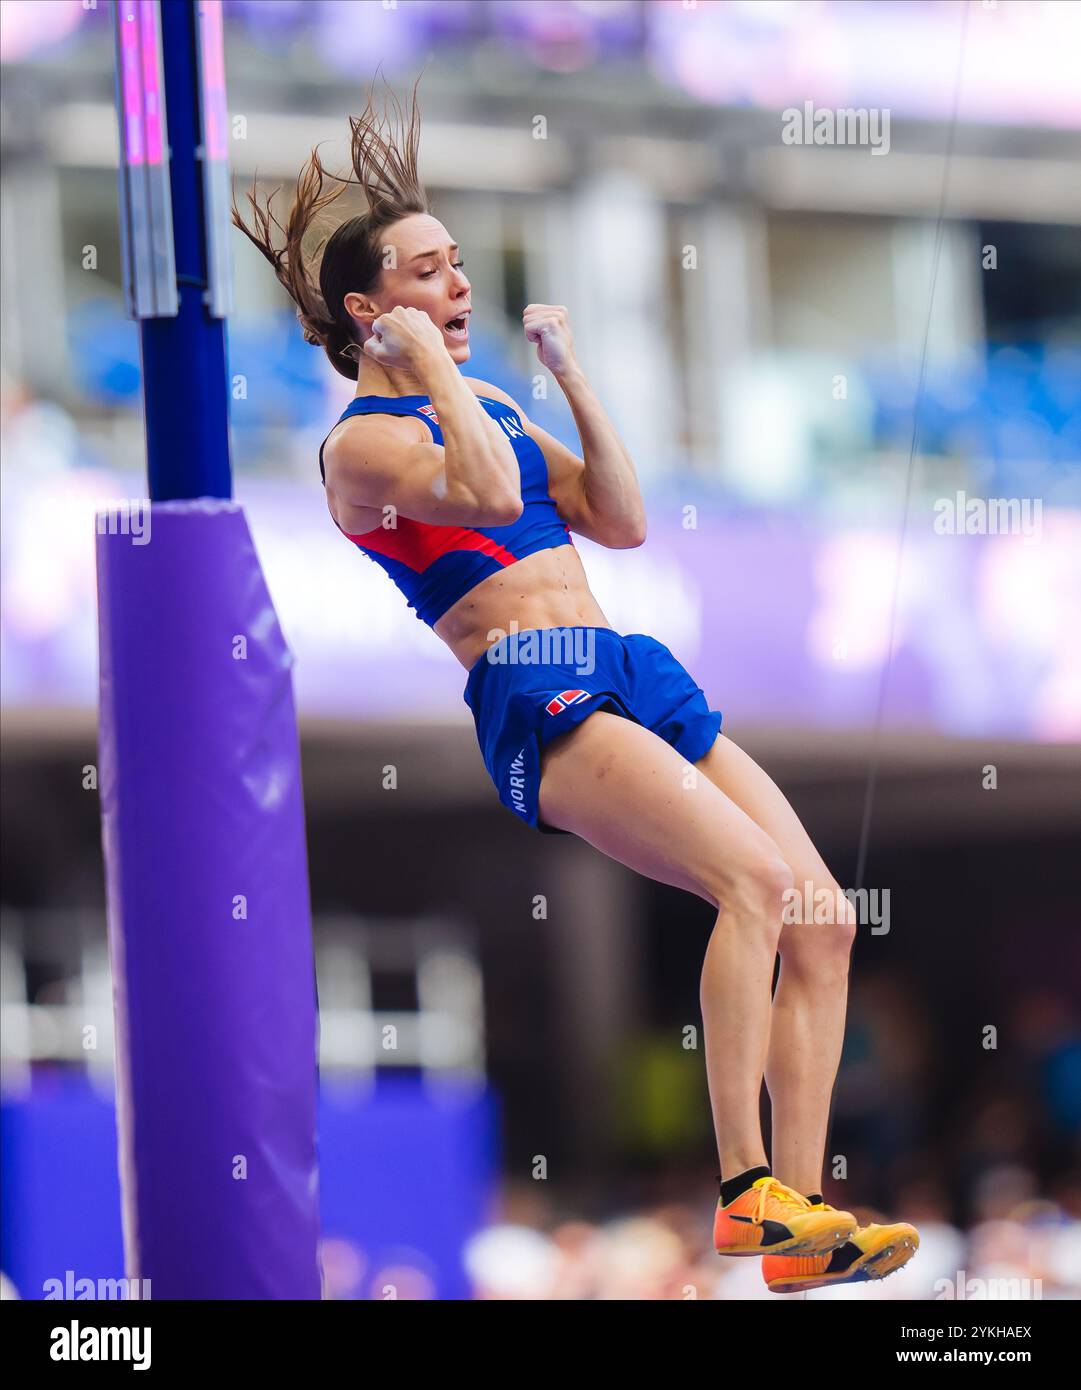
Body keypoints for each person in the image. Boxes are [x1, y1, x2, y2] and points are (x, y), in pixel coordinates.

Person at [233, 77, 918, 1294]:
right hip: (532, 680)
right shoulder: (362, 450)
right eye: (432, 271)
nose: (460, 289)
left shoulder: (488, 398)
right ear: (368, 305)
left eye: (458, 267)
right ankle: (742, 1188)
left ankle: (798, 1221)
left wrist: (570, 370)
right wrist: (430, 371)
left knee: (820, 912)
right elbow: (490, 495)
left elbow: (621, 518)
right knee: (751, 885)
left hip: (624, 659)